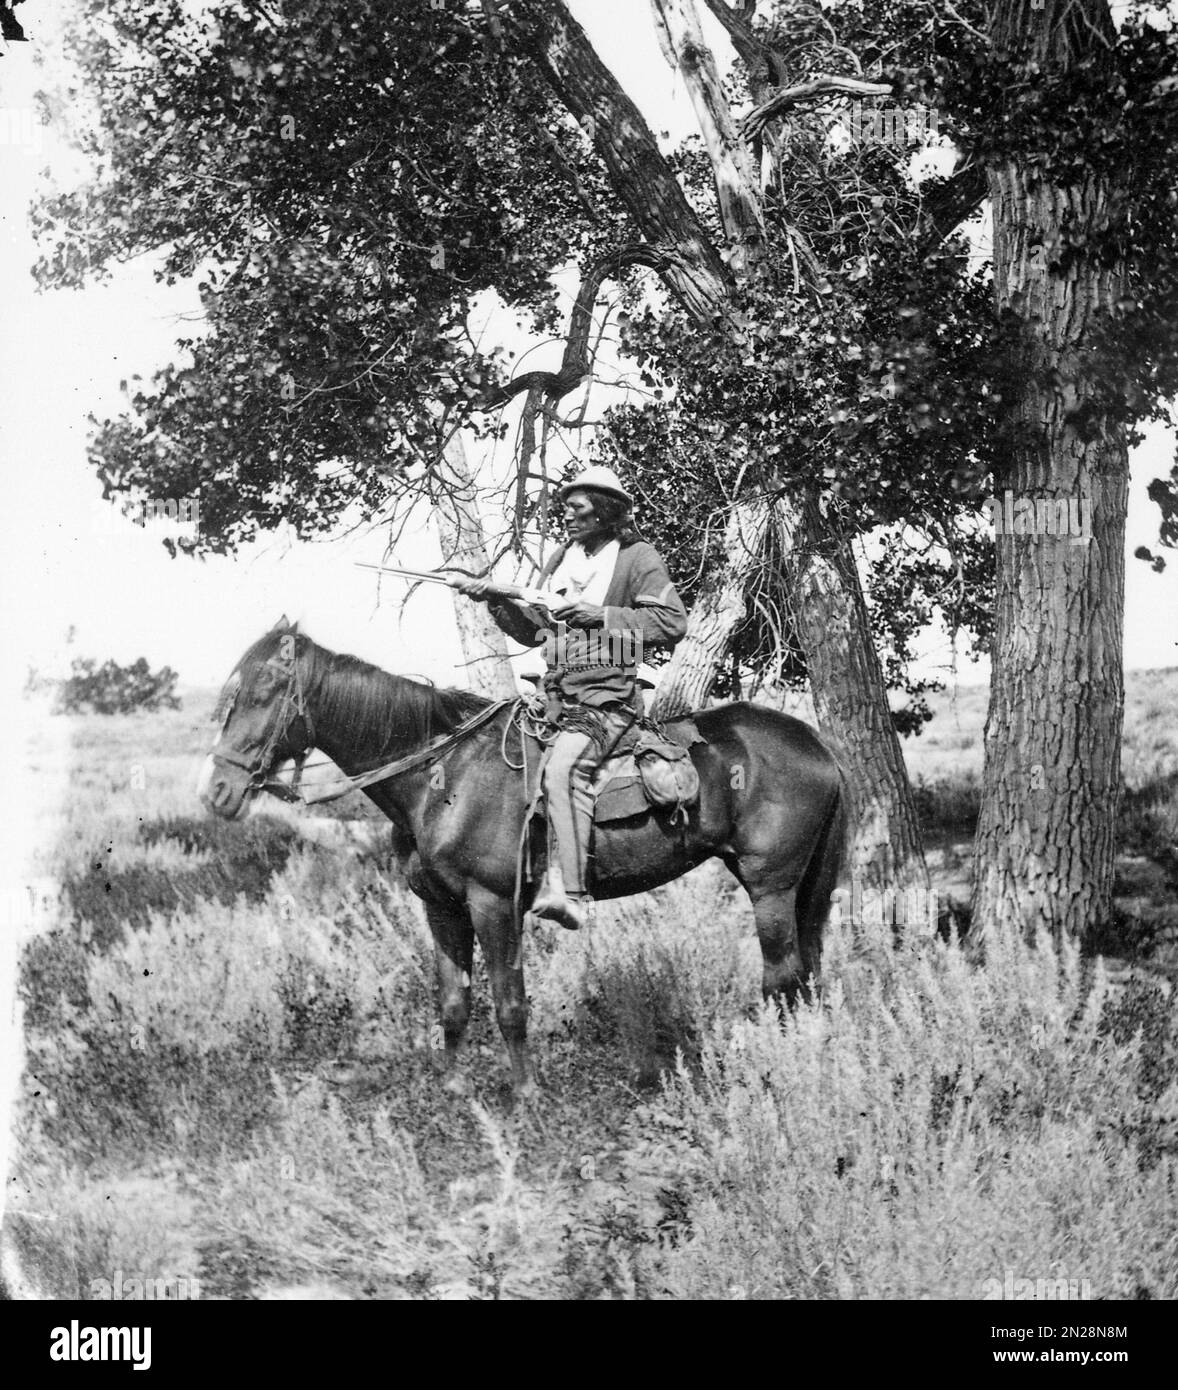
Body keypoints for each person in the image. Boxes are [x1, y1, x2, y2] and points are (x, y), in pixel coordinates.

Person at [456, 466, 687, 929]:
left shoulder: (636, 557)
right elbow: (532, 630)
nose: (567, 515)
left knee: (563, 772)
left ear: (605, 511)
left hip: (607, 701)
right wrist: (494, 599)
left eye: (577, 507)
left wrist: (598, 615)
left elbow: (671, 623)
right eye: (565, 507)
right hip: (555, 698)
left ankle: (574, 893)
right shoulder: (562, 557)